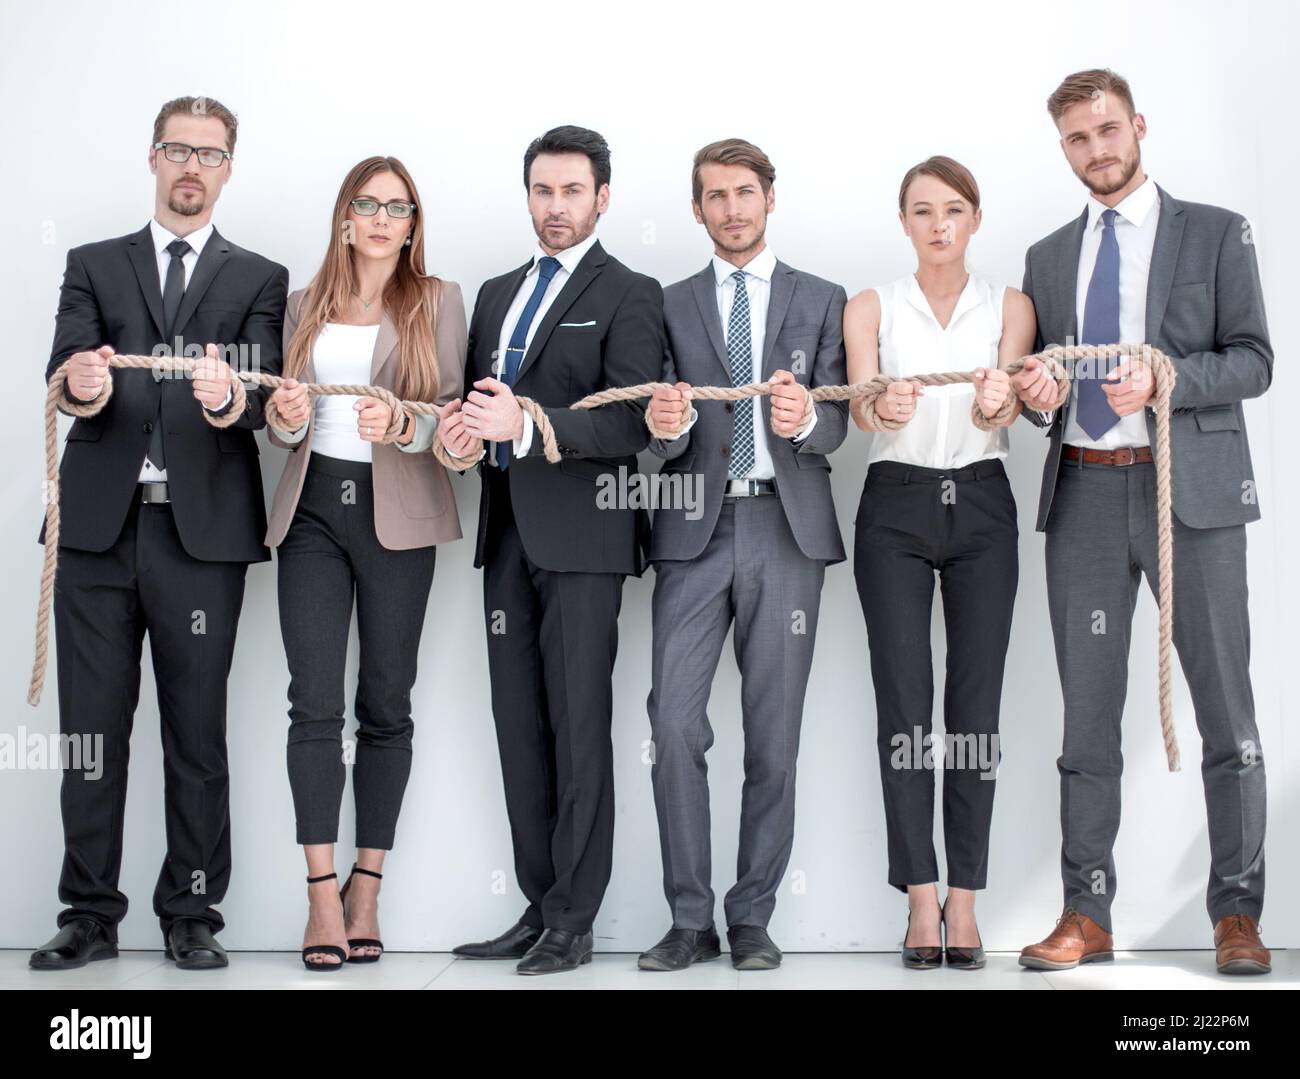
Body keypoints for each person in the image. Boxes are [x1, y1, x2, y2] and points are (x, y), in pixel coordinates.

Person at [1010, 69, 1273, 975]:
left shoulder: (1213, 231)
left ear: (1139, 127)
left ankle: (1236, 912)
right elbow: (1038, 386)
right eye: (1079, 139)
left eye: (1109, 130)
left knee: (1226, 711)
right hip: (1083, 494)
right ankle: (1087, 914)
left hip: (1188, 497)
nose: (1098, 150)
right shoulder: (1047, 256)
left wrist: (1170, 378)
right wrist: (1038, 395)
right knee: (1086, 721)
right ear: (1064, 149)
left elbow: (1255, 360)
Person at [30, 96, 288, 971]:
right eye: (178, 149)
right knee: (91, 733)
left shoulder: (260, 277)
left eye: (209, 154)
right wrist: (89, 384)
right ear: (152, 157)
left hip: (200, 539)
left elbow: (257, 397)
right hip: (97, 536)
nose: (192, 166)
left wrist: (225, 396)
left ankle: (192, 910)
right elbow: (66, 377)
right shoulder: (93, 264)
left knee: (198, 731)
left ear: (227, 169)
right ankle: (89, 913)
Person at [439, 126, 665, 975]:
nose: (556, 206)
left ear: (602, 198)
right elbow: (474, 406)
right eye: (543, 191)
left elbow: (631, 420)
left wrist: (530, 427)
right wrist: (463, 435)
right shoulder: (497, 293)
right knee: (518, 728)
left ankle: (576, 917)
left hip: (584, 539)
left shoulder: (630, 292)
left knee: (578, 728)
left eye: (573, 191)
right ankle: (538, 905)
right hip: (506, 537)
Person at [637, 139, 848, 972]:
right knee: (673, 723)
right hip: (693, 528)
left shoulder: (821, 297)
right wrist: (667, 424)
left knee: (776, 734)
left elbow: (840, 421)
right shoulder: (669, 301)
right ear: (696, 209)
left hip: (786, 531)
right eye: (715, 196)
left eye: (744, 192)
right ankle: (689, 917)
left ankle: (752, 915)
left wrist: (803, 420)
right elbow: (653, 431)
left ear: (770, 198)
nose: (731, 208)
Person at [263, 157, 468, 970]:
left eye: (398, 206)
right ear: (345, 217)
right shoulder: (301, 305)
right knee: (312, 701)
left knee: (386, 701)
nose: (382, 218)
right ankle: (318, 896)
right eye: (367, 203)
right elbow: (282, 419)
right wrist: (281, 418)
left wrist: (407, 429)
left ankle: (366, 887)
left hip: (399, 515)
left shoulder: (438, 301)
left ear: (413, 224)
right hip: (312, 509)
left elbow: (454, 415)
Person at [844, 156, 1035, 970]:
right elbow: (858, 406)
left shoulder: (1014, 306)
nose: (938, 225)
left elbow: (1015, 405)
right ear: (904, 222)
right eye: (922, 211)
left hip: (984, 503)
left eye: (953, 209)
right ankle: (920, 896)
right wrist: (877, 402)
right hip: (894, 502)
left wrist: (1002, 403)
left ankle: (967, 899)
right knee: (905, 706)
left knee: (976, 709)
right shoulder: (870, 306)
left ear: (976, 217)